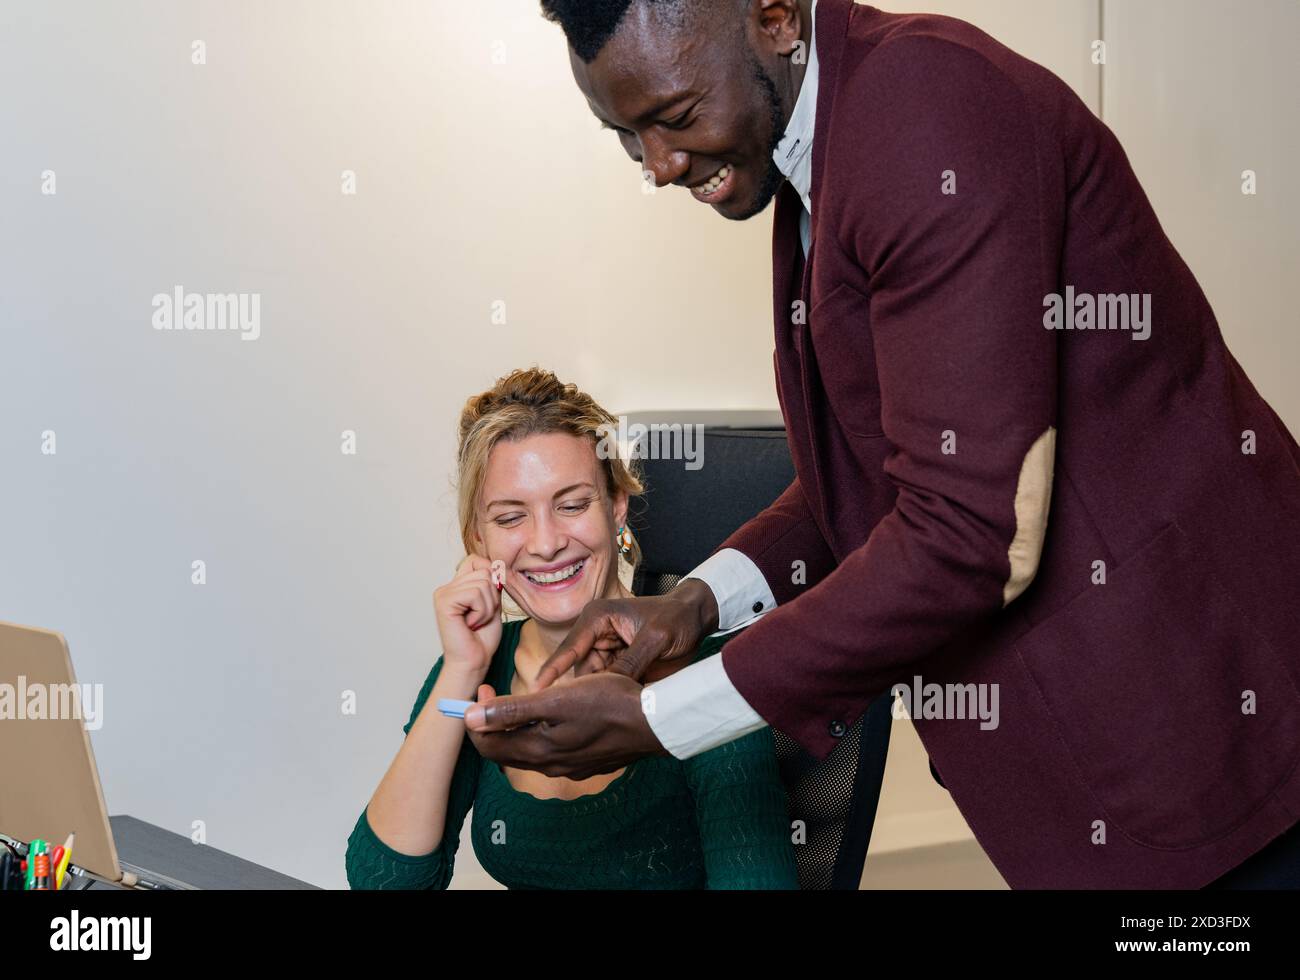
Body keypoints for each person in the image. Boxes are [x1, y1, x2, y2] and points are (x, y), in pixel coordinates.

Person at [462, 0, 1300, 889]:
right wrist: (696, 605)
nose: (661, 168)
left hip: (1205, 739)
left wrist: (665, 716)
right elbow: (869, 464)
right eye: (627, 138)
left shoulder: (927, 105)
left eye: (673, 118)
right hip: (1102, 768)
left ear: (776, 18)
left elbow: (966, 535)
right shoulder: (811, 146)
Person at [345, 367, 799, 889]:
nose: (545, 543)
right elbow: (383, 882)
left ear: (617, 508)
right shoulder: (480, 671)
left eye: (572, 505)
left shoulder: (704, 678)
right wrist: (462, 666)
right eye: (510, 517)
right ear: (478, 536)